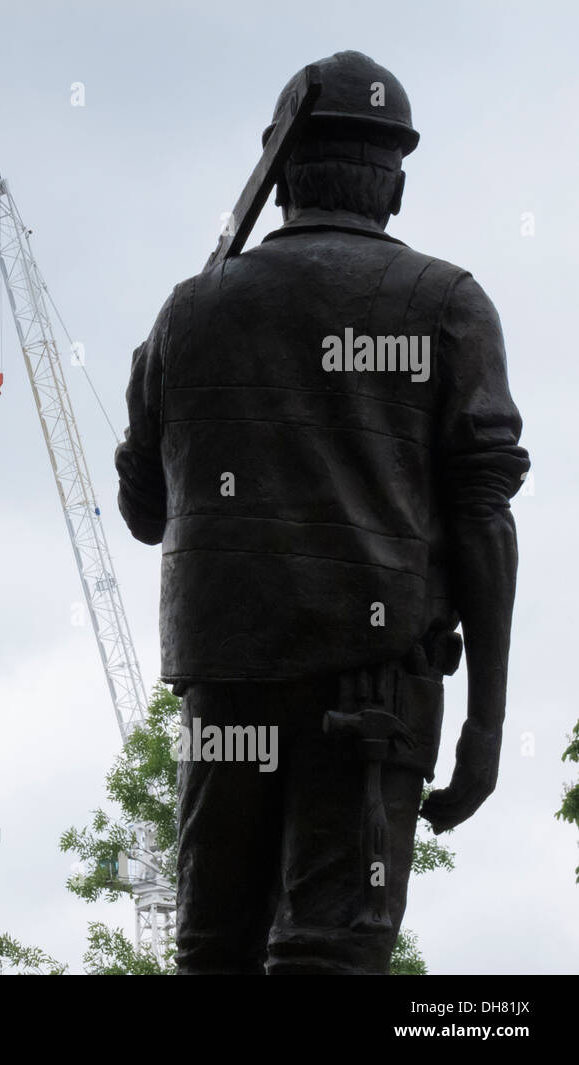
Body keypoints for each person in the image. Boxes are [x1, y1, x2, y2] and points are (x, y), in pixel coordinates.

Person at [114, 50, 529, 974]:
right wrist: (487, 724)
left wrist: (161, 367)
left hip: (227, 698)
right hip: (371, 696)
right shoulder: (446, 303)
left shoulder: (188, 311)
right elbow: (484, 520)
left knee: (212, 952)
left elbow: (145, 512)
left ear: (282, 172)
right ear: (396, 186)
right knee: (332, 957)